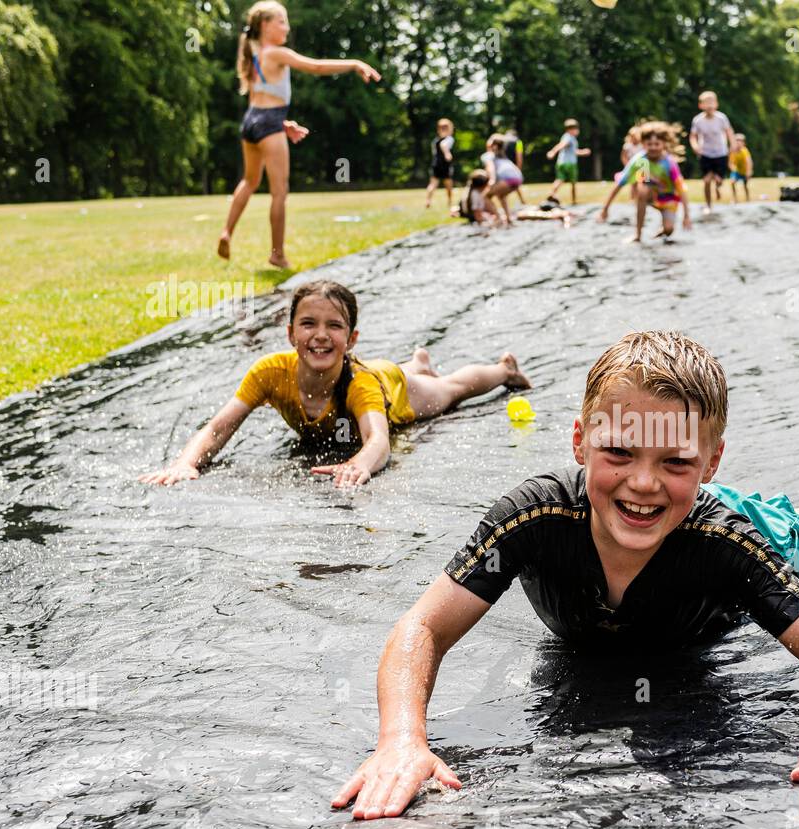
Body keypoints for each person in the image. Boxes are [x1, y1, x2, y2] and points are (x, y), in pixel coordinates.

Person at [331, 330, 799, 820]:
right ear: (579, 441)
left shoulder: (727, 544)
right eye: (619, 452)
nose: (643, 485)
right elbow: (422, 626)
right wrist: (401, 741)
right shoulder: (533, 516)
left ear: (710, 462)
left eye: (676, 462)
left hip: (732, 529)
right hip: (678, 529)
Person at [138, 281, 530, 489]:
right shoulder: (268, 372)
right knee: (420, 373)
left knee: (450, 390)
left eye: (334, 326)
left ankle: (502, 370)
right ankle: (418, 363)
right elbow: (219, 426)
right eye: (309, 324)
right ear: (291, 333)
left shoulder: (360, 385)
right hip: (376, 371)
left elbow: (377, 439)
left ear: (352, 338)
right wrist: (186, 463)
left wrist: (359, 463)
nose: (320, 336)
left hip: (392, 388)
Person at [217, 1, 381, 270]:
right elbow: (315, 67)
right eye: (281, 21)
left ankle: (227, 231)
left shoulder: (254, 55)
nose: (287, 26)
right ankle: (277, 253)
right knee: (279, 192)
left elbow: (263, 100)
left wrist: (284, 124)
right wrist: (353, 63)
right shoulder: (277, 53)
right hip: (269, 122)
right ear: (265, 26)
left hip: (252, 121)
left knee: (249, 180)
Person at [597, 121, 692, 242]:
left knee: (669, 230)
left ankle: (663, 230)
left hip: (669, 198)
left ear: (664, 144)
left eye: (657, 144)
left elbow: (681, 190)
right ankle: (638, 234)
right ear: (643, 144)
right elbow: (620, 184)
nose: (653, 147)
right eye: (649, 144)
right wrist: (605, 209)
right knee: (643, 189)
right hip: (651, 195)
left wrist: (687, 216)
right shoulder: (641, 160)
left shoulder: (669, 163)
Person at [689, 90, 737, 213]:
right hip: (705, 153)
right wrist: (695, 146)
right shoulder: (698, 120)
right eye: (706, 103)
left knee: (718, 179)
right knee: (706, 180)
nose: (709, 105)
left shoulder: (721, 118)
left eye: (712, 102)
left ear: (716, 104)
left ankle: (718, 186)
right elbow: (693, 136)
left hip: (721, 153)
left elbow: (729, 132)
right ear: (701, 105)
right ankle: (708, 205)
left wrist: (733, 144)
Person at [481, 133, 524, 226]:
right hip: (518, 178)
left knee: (484, 196)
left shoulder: (488, 155)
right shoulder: (504, 157)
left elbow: (490, 167)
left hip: (508, 179)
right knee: (501, 196)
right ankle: (508, 218)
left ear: (493, 145)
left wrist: (491, 180)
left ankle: (498, 217)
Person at [545, 119, 592, 203]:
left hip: (561, 162)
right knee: (573, 182)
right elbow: (561, 145)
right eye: (575, 129)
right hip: (570, 164)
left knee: (559, 179)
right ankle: (574, 201)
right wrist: (553, 152)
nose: (577, 131)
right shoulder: (569, 138)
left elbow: (574, 152)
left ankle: (551, 194)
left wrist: (583, 152)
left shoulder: (567, 137)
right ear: (569, 130)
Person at [424, 118, 456, 213]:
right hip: (445, 164)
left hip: (436, 163)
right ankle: (450, 202)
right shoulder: (449, 139)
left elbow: (434, 152)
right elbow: (444, 145)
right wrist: (447, 153)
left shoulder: (435, 141)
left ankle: (428, 201)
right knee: (448, 185)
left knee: (433, 184)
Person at [728, 134, 753, 201]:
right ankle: (734, 198)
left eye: (741, 141)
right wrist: (732, 168)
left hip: (744, 171)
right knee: (732, 182)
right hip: (737, 171)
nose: (738, 142)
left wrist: (749, 171)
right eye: (737, 141)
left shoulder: (744, 151)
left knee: (745, 185)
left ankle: (748, 199)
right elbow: (730, 162)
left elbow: (749, 162)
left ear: (743, 143)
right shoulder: (733, 151)